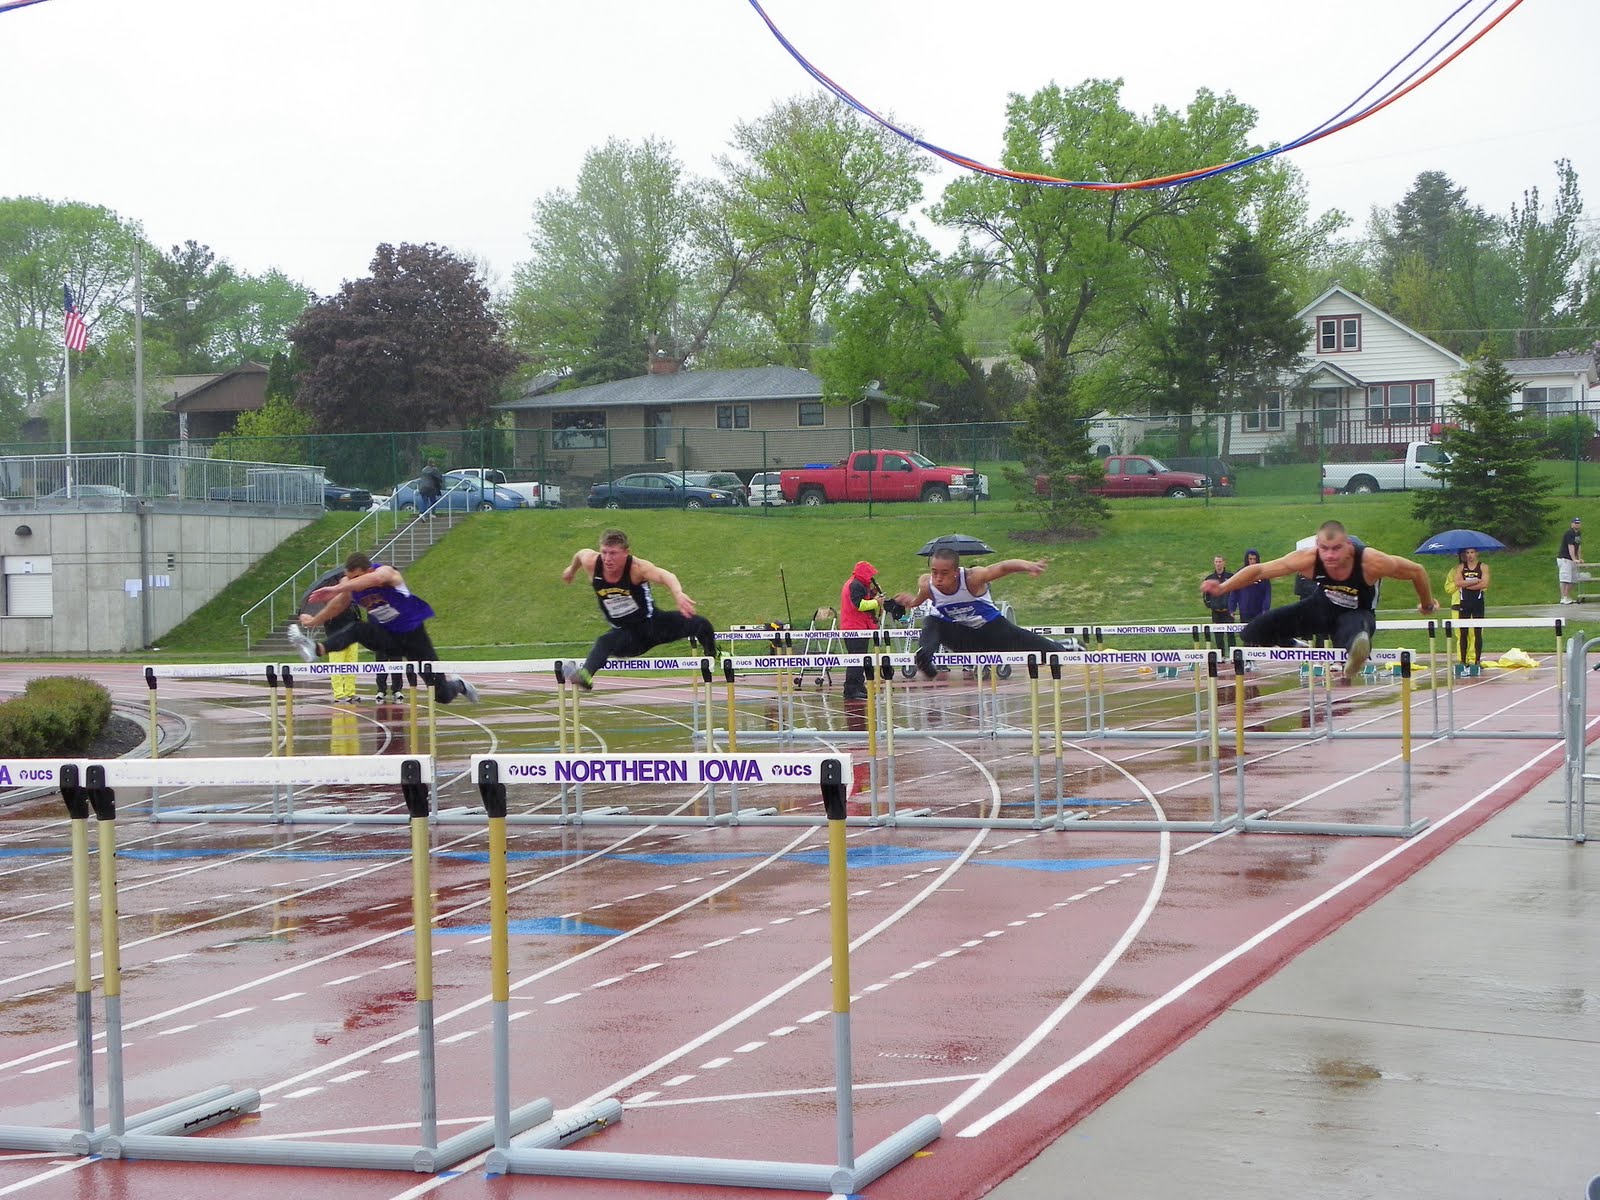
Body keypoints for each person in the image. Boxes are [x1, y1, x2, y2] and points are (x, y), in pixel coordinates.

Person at [1201, 519, 1439, 684]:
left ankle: (1354, 653)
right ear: (1317, 546)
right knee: (1253, 632)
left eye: (1336, 549)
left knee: (1356, 633)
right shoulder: (1310, 559)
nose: (1331, 556)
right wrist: (1223, 586)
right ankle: (1295, 645)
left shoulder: (1371, 561)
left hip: (1356, 612)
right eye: (1325, 549)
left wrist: (1427, 604)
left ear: (1348, 546)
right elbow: (1259, 571)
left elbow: (1416, 571)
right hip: (1320, 608)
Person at [285, 552, 479, 704]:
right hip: (388, 638)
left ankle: (459, 685)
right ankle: (317, 649)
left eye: (356, 578)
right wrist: (313, 621)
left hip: (414, 638)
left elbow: (376, 580)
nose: (353, 584)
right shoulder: (351, 588)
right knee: (356, 629)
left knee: (441, 695)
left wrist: (338, 587)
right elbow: (337, 606)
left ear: (368, 570)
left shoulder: (387, 573)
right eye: (350, 578)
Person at [560, 528, 719, 691]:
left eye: (613, 553)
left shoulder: (637, 568)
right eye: (604, 552)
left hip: (653, 625)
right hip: (627, 636)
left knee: (701, 623)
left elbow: (665, 575)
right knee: (604, 641)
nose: (607, 559)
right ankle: (585, 676)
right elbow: (580, 554)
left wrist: (678, 593)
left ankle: (713, 656)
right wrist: (571, 570)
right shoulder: (592, 563)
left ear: (626, 553)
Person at [894, 549, 1068, 679]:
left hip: (994, 631)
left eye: (944, 573)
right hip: (964, 638)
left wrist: (1029, 565)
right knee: (932, 620)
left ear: (956, 572)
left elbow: (1003, 567)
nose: (938, 578)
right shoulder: (927, 584)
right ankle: (925, 657)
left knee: (1052, 653)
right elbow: (919, 601)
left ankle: (1066, 645)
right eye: (934, 572)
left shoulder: (972, 578)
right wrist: (909, 602)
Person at [839, 561, 905, 700]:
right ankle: (851, 689)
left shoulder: (857, 584)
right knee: (856, 658)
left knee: (860, 657)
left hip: (858, 626)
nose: (871, 578)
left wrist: (873, 593)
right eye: (870, 575)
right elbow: (860, 605)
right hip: (854, 627)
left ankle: (858, 686)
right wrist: (877, 602)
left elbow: (863, 600)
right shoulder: (855, 585)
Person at [301, 566, 363, 702]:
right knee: (337, 665)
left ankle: (350, 691)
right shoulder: (329, 608)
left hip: (352, 637)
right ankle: (339, 694)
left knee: (351, 664)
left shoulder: (350, 600)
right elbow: (329, 620)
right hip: (336, 637)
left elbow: (357, 616)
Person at [1448, 546, 1490, 672]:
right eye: (1467, 553)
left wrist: (1467, 584)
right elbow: (1458, 583)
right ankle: (1463, 660)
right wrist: (1474, 582)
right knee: (1463, 633)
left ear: (1477, 553)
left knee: (1477, 632)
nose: (1469, 555)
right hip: (1464, 603)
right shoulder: (1460, 568)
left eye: (1472, 552)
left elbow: (1485, 584)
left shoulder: (1483, 567)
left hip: (1478, 602)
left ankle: (1476, 660)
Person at [1203, 555, 1236, 656]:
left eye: (1220, 561)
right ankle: (1221, 655)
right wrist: (1212, 605)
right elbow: (1205, 595)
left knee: (1231, 634)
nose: (1218, 564)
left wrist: (1233, 607)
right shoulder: (1209, 579)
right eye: (1216, 562)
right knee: (1218, 635)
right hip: (1216, 612)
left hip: (1228, 611)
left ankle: (1233, 655)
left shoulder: (1230, 577)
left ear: (1224, 562)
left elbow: (1236, 592)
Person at [1234, 549, 1273, 623]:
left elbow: (1267, 593)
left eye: (1254, 559)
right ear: (1247, 559)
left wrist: (1266, 608)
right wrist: (1232, 607)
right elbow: (1234, 590)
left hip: (1259, 611)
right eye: (1250, 559)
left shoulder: (1263, 573)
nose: (1252, 561)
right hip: (1245, 610)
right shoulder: (1240, 573)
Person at [1557, 516, 1582, 604]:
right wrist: (1574, 559)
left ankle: (1567, 596)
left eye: (1578, 523)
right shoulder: (1569, 533)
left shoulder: (1578, 533)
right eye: (1575, 523)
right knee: (1565, 578)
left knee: (1573, 579)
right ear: (1571, 524)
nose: (1577, 524)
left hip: (1572, 559)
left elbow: (1578, 546)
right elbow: (1570, 546)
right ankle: (1563, 598)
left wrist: (1579, 558)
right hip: (1565, 558)